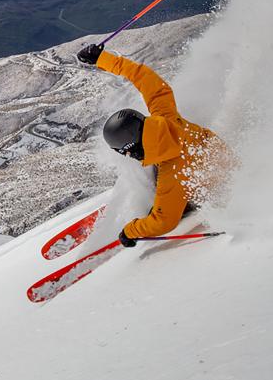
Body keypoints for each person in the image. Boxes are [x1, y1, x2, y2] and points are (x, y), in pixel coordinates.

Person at [77, 43, 231, 247]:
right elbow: (143, 77)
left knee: (167, 199)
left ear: (132, 147)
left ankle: (183, 207)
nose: (129, 156)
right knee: (158, 173)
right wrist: (101, 59)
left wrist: (131, 231)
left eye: (126, 153)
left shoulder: (172, 174)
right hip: (217, 155)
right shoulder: (165, 115)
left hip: (216, 188)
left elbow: (163, 222)